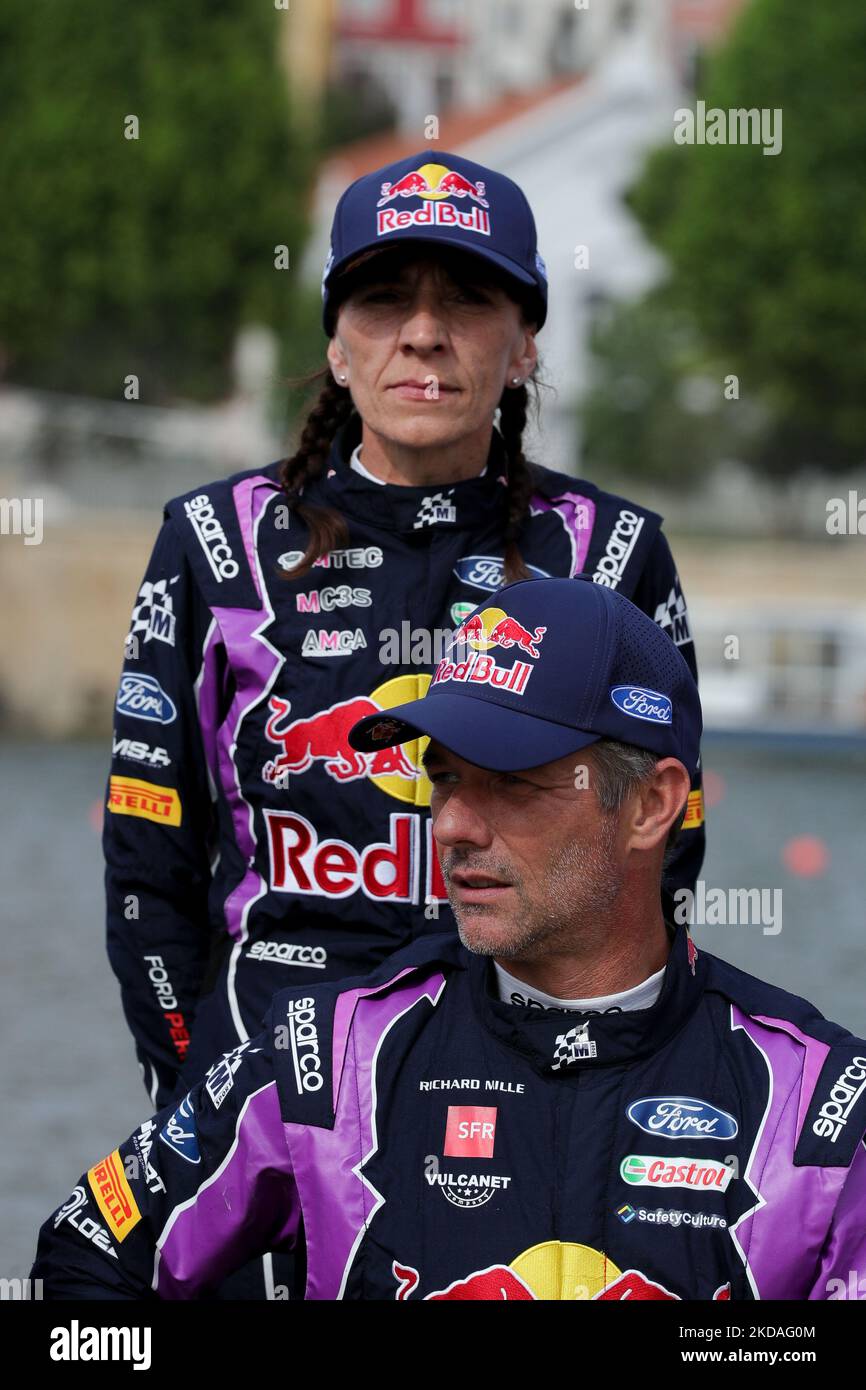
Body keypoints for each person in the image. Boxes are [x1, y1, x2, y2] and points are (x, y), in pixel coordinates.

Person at [104, 151, 704, 1295]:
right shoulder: (213, 544)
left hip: (528, 1091)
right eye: (384, 300)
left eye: (466, 300)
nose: (421, 333)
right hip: (270, 1089)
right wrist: (204, 1100)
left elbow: (662, 855)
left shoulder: (612, 553)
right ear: (336, 340)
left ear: (521, 343)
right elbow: (147, 869)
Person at [36, 579, 865, 1301]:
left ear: (650, 805)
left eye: (512, 782)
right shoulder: (322, 1060)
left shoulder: (824, 1109)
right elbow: (84, 1255)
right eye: (444, 778)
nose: (455, 825)